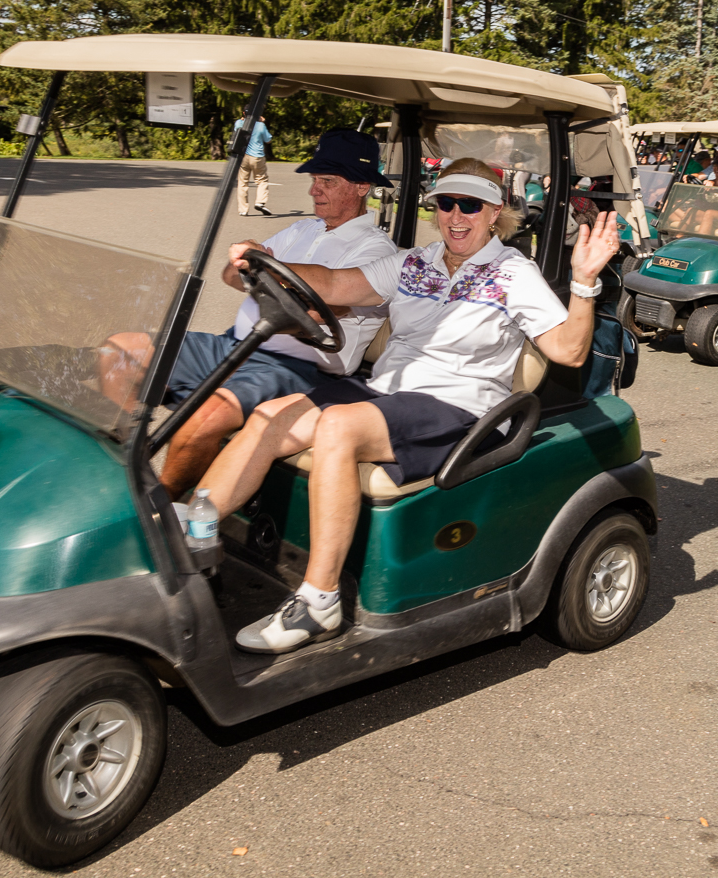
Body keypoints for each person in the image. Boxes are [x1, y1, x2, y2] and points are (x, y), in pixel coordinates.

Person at [191, 157, 621, 654]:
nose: (456, 216)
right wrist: (267, 263)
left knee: (337, 428)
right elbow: (332, 285)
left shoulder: (513, 274)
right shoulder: (414, 262)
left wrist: (585, 282)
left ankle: (319, 600)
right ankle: (191, 539)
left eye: (470, 205)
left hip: (457, 406)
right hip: (387, 390)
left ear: (494, 211)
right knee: (269, 414)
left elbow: (568, 351)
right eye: (445, 203)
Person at [96, 130, 398, 497]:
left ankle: (158, 510)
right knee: (120, 351)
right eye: (315, 180)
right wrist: (247, 257)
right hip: (234, 345)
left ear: (362, 186)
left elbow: (320, 310)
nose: (313, 191)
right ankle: (125, 470)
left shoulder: (376, 251)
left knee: (204, 418)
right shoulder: (303, 229)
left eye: (328, 182)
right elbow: (230, 274)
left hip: (296, 370)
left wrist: (263, 268)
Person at [237, 112, 273, 216]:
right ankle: (260, 202)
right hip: (257, 156)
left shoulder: (239, 123)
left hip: (243, 156)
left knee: (242, 182)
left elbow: (237, 131)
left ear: (244, 113)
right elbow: (268, 140)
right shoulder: (260, 125)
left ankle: (243, 210)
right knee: (262, 180)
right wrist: (262, 122)